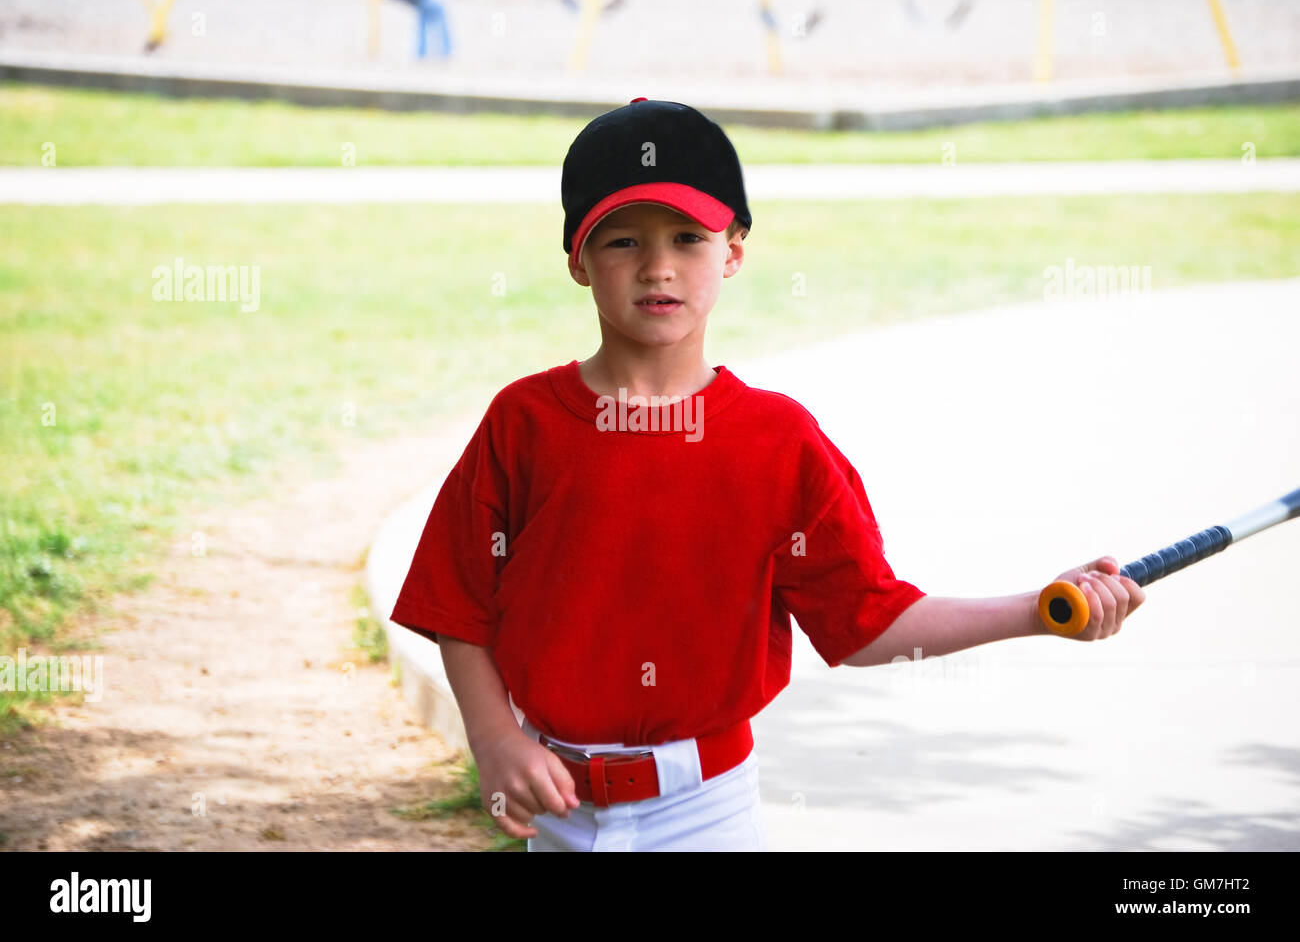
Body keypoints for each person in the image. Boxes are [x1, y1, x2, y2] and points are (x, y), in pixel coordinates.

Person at [389, 98, 1146, 852]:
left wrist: (1038, 607)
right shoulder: (523, 424)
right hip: (553, 810)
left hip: (704, 817)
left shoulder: (778, 441)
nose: (658, 267)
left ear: (735, 251)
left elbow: (867, 623)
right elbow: (458, 606)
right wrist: (493, 741)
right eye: (623, 241)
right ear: (578, 262)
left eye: (689, 237)